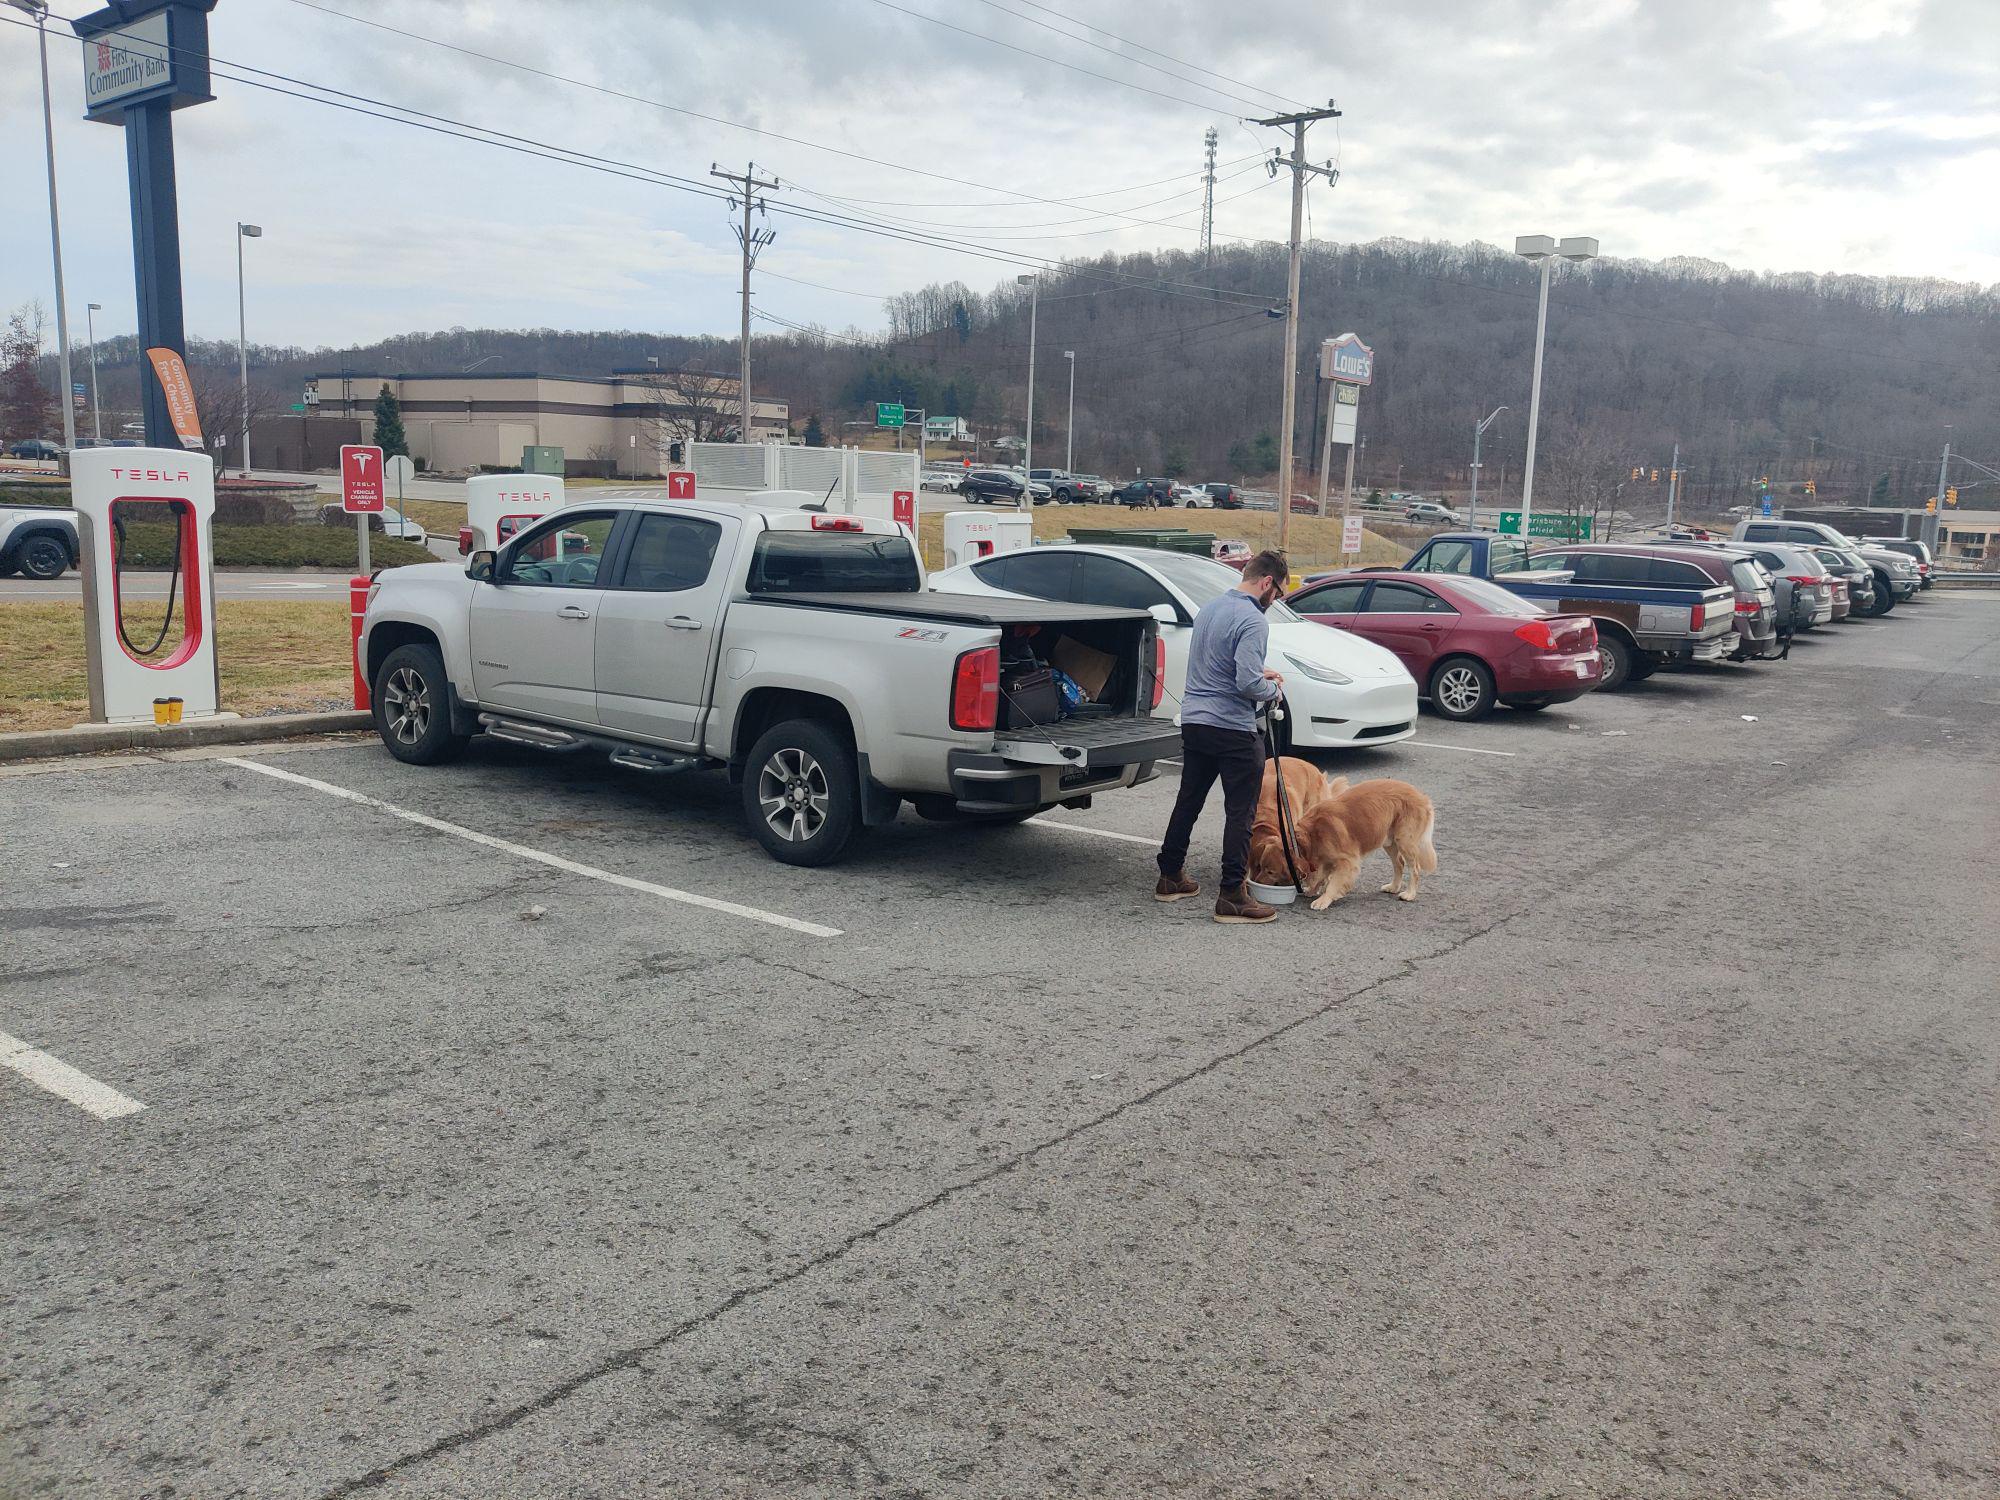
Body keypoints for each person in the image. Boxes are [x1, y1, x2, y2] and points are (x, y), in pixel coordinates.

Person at [1154, 548, 1289, 923]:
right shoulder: (1253, 620)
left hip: (1196, 720)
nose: (1274, 600)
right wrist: (1273, 691)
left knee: (1189, 800)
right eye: (1277, 593)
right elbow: (1245, 683)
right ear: (1266, 583)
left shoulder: (1210, 608)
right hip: (1231, 728)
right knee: (1240, 813)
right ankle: (1232, 893)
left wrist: (1259, 672)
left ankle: (1170, 875)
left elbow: (1218, 663)